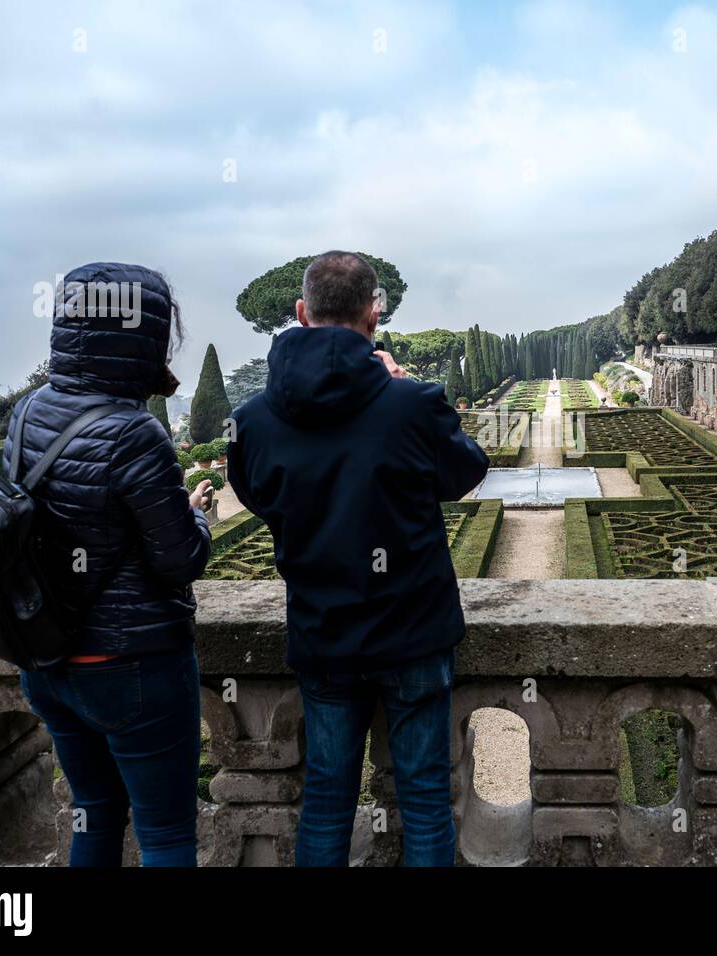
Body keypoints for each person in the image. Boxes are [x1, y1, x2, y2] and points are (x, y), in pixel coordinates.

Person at [228, 251, 489, 867]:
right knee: (425, 796)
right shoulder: (411, 403)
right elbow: (467, 471)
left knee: (326, 798)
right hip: (416, 634)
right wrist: (400, 390)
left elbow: (261, 500)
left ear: (300, 313)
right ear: (376, 314)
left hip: (323, 635)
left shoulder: (253, 421)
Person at [5, 262, 214, 867]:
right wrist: (198, 514)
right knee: (167, 835)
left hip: (46, 658)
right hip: (132, 667)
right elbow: (181, 561)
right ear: (141, 335)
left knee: (92, 816)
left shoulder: (26, 411)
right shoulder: (135, 432)